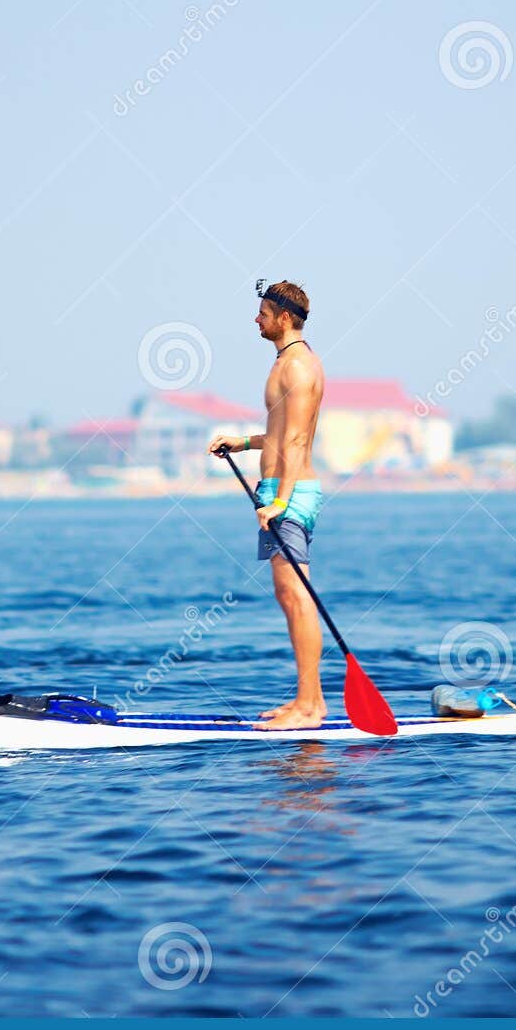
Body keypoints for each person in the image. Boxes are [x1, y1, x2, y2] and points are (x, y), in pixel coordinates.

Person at [207, 281, 327, 728]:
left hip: (288, 495)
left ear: (284, 318)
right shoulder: (289, 362)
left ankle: (309, 707)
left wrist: (279, 500)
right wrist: (241, 442)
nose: (255, 319)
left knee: (297, 597)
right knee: (290, 596)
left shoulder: (297, 367)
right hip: (281, 491)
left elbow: (296, 441)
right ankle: (308, 701)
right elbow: (280, 434)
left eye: (263, 313)